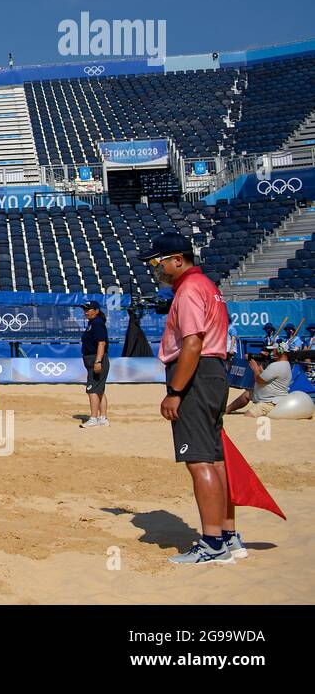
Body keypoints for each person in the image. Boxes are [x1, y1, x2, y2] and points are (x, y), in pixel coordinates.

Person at [142, 232, 240, 565]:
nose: (156, 268)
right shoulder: (208, 287)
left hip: (196, 376)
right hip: (213, 373)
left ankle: (213, 543)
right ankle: (227, 535)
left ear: (178, 260)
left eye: (158, 261)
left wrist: (175, 391)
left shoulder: (189, 290)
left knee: (199, 461)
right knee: (214, 459)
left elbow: (193, 344)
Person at [226, 344, 292, 418]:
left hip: (270, 401)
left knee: (248, 414)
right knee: (247, 394)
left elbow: (259, 380)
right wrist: (261, 370)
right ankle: (227, 410)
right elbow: (269, 377)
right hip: (271, 397)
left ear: (280, 351)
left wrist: (255, 369)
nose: (272, 352)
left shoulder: (276, 366)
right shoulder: (285, 364)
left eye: (274, 350)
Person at [80, 301, 110, 427]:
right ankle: (102, 418)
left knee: (91, 390)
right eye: (85, 309)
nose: (86, 312)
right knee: (99, 391)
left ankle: (93, 418)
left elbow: (101, 343)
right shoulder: (92, 323)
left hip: (96, 359)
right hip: (92, 359)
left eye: (89, 309)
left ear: (96, 310)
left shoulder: (97, 323)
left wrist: (98, 361)